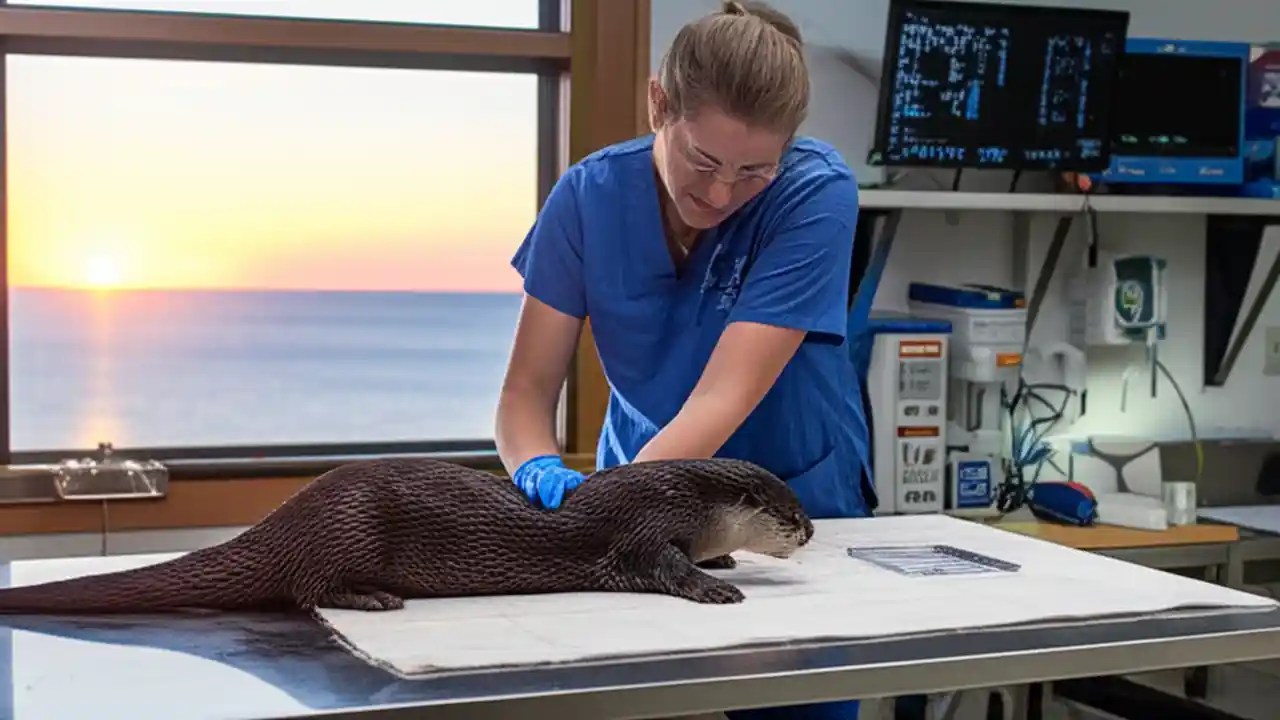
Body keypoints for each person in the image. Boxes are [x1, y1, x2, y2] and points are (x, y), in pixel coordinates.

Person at [496, 2, 873, 718]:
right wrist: (540, 472)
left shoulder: (815, 193)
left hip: (786, 518)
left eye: (752, 171)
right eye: (703, 160)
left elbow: (719, 403)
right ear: (657, 104)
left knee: (795, 702)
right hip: (637, 491)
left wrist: (598, 523)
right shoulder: (588, 198)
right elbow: (524, 394)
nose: (721, 194)